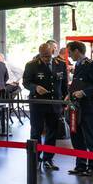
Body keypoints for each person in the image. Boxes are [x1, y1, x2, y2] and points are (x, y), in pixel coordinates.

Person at [66, 41, 93, 178]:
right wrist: (70, 94)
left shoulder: (90, 65)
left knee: (91, 138)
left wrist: (84, 92)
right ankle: (81, 165)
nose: (69, 55)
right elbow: (78, 83)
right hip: (77, 107)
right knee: (77, 138)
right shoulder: (78, 65)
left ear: (77, 51)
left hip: (90, 107)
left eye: (70, 52)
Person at [22, 41, 65, 170]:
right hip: (38, 104)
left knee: (52, 132)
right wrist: (35, 88)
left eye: (48, 55)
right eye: (43, 56)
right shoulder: (32, 65)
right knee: (36, 131)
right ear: (40, 54)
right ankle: (35, 159)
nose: (46, 59)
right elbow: (26, 82)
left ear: (52, 52)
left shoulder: (60, 64)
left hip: (54, 103)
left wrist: (64, 101)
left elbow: (63, 85)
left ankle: (48, 159)